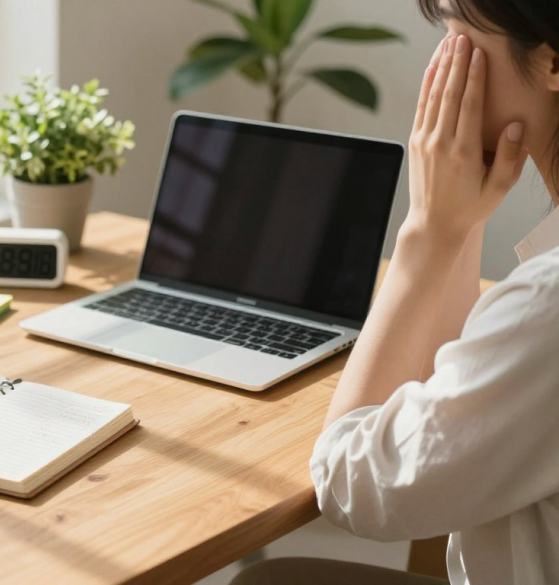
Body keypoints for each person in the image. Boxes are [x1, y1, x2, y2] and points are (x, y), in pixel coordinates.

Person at [232, 1, 559, 584]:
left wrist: (426, 232)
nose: (443, 61)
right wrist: (459, 221)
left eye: (458, 32)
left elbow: (348, 483)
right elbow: (455, 396)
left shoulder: (547, 305)